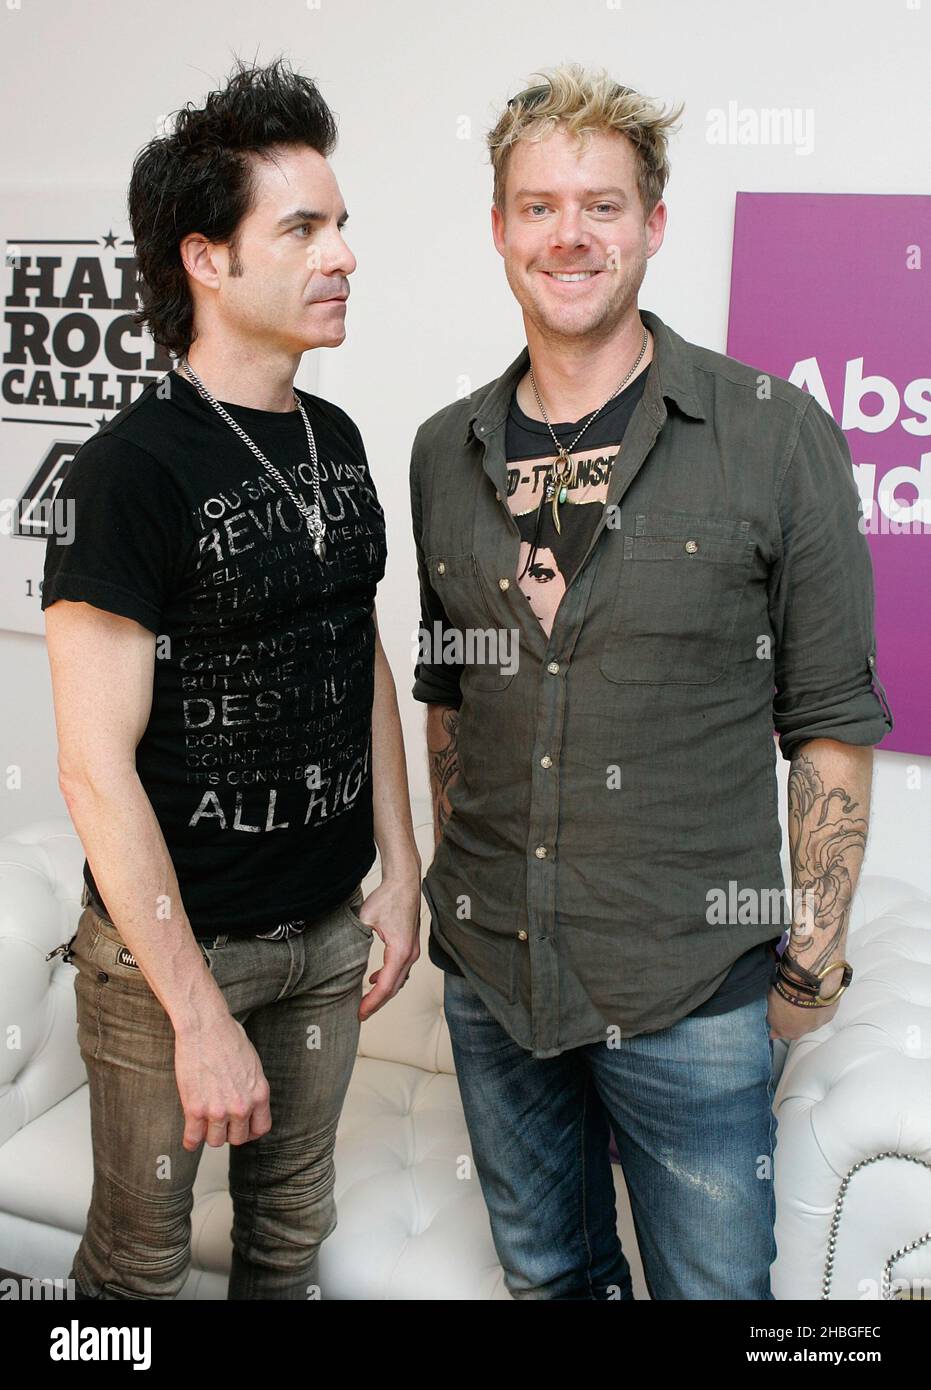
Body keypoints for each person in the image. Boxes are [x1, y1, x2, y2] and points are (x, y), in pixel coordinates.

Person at [409, 62, 894, 1300]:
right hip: (493, 980)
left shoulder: (772, 433)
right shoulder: (441, 449)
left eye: (602, 205)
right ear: (500, 229)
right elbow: (450, 692)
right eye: (537, 205)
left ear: (654, 224)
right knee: (551, 1279)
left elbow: (831, 723)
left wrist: (811, 966)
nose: (568, 233)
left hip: (693, 993)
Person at [42, 56, 421, 1301]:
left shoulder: (337, 434)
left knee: (286, 1237)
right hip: (170, 960)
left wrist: (400, 868)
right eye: (303, 228)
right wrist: (197, 1013)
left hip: (321, 934)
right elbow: (95, 772)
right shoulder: (126, 473)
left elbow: (350, 642)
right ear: (207, 260)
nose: (342, 255)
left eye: (341, 225)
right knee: (141, 1266)